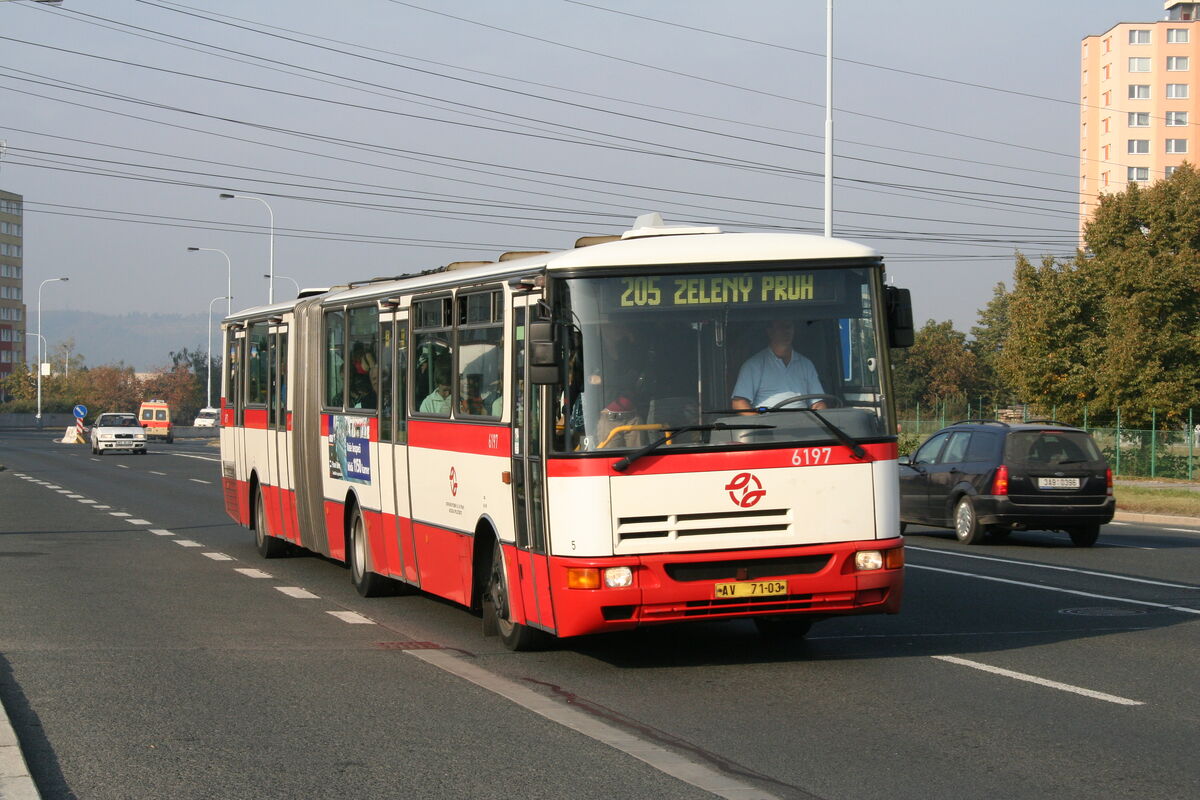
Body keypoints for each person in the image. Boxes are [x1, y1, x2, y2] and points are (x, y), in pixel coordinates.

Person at [731, 319, 826, 413]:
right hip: (768, 425)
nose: (786, 331)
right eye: (781, 327)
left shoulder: (806, 364)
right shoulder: (753, 365)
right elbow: (739, 403)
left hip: (803, 424)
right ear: (770, 332)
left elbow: (818, 404)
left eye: (789, 327)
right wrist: (760, 424)